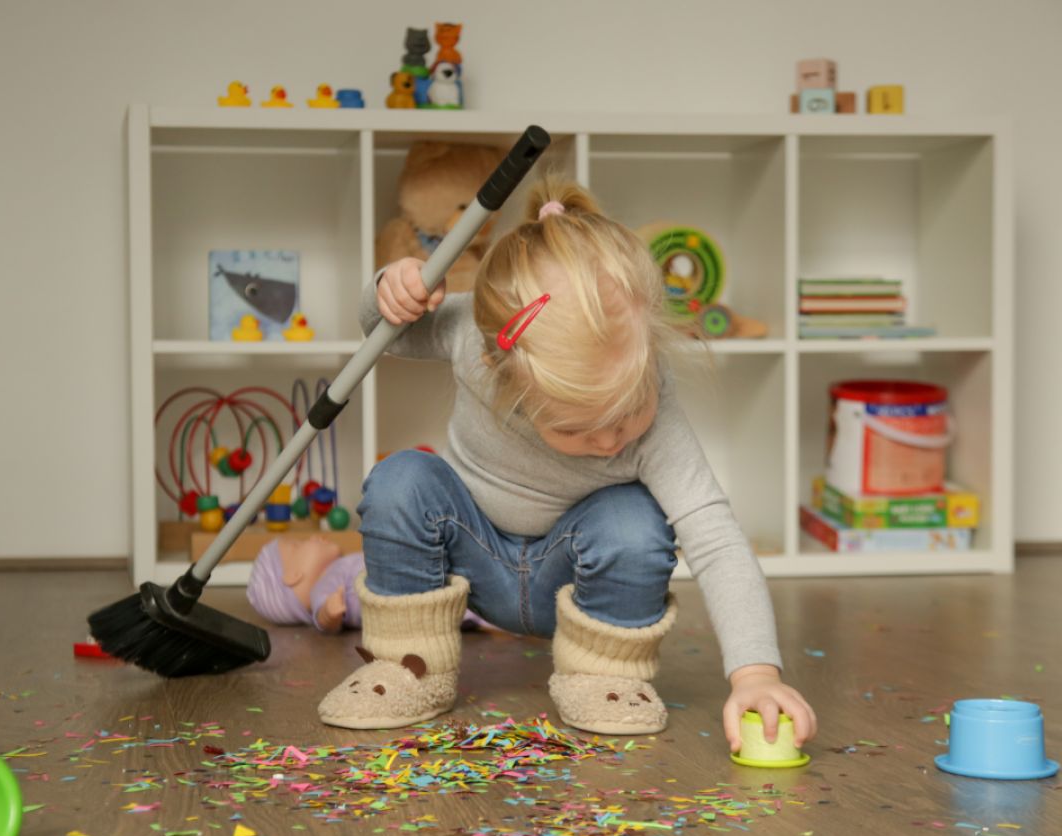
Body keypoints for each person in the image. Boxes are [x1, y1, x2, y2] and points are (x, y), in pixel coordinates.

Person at [318, 176, 818, 752]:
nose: (610, 440)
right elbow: (383, 333)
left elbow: (716, 538)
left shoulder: (657, 410)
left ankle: (605, 678)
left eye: (627, 411)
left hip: (579, 583)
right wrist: (391, 288)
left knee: (634, 518)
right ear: (497, 367)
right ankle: (407, 668)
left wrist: (756, 674)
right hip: (468, 559)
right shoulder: (477, 340)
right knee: (401, 478)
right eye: (576, 427)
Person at [247, 534, 488, 633]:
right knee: (456, 597)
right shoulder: (323, 585)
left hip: (409, 588)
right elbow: (322, 613)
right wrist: (328, 614)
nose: (311, 537)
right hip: (405, 594)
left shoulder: (337, 569)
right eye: (299, 544)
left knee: (457, 599)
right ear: (293, 576)